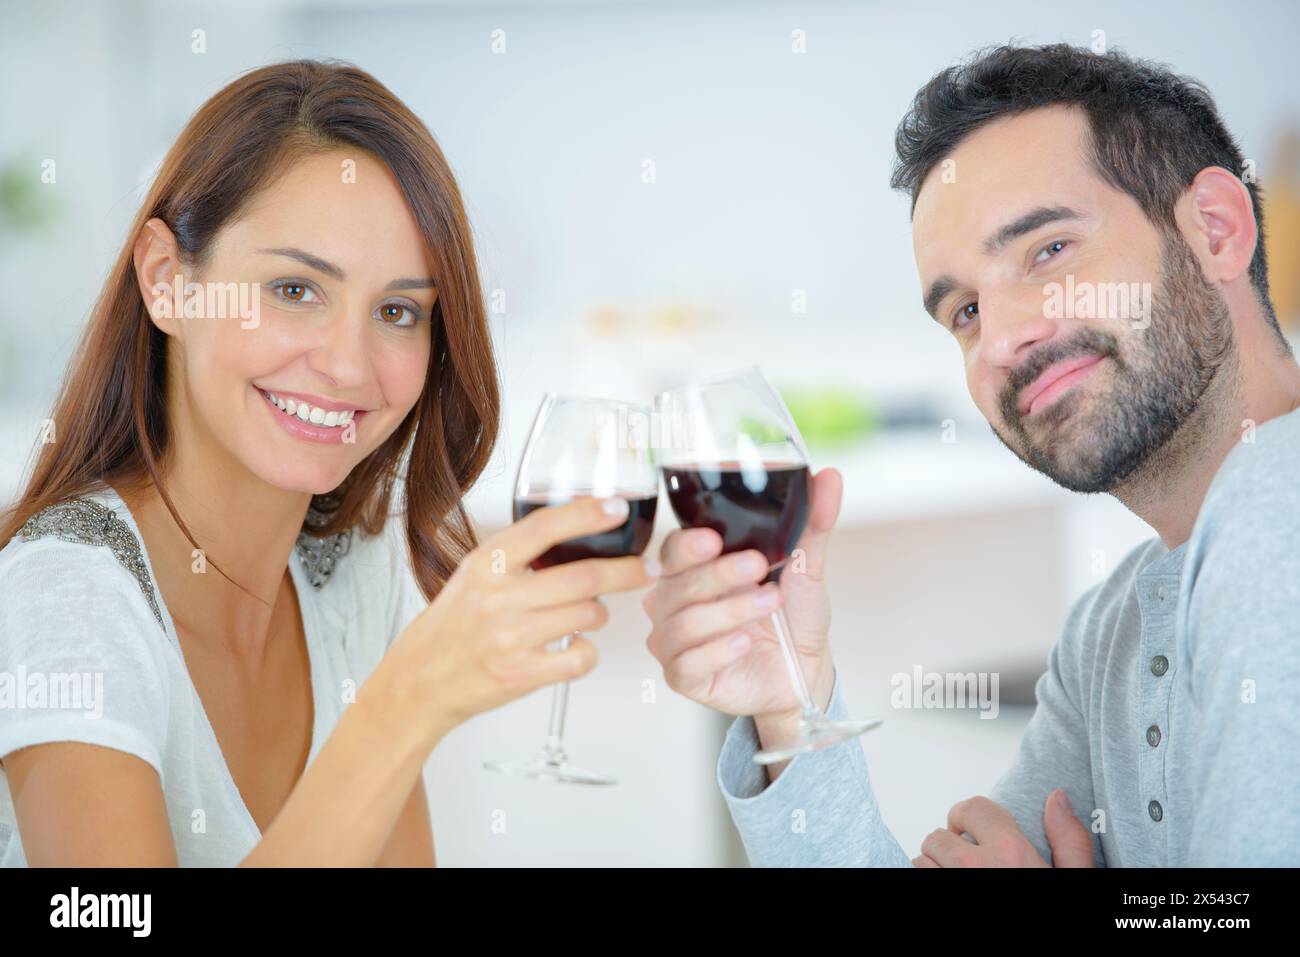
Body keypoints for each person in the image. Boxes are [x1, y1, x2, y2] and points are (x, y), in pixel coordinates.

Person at [642, 43, 1300, 867]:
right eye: (964, 310)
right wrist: (790, 704)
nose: (1002, 338)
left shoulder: (1279, 496)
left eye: (1050, 250)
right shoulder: (1108, 637)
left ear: (1215, 228)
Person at [0, 59, 656, 867]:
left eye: (396, 310)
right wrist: (406, 702)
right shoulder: (65, 594)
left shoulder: (348, 568)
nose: (349, 365)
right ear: (168, 282)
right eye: (295, 290)